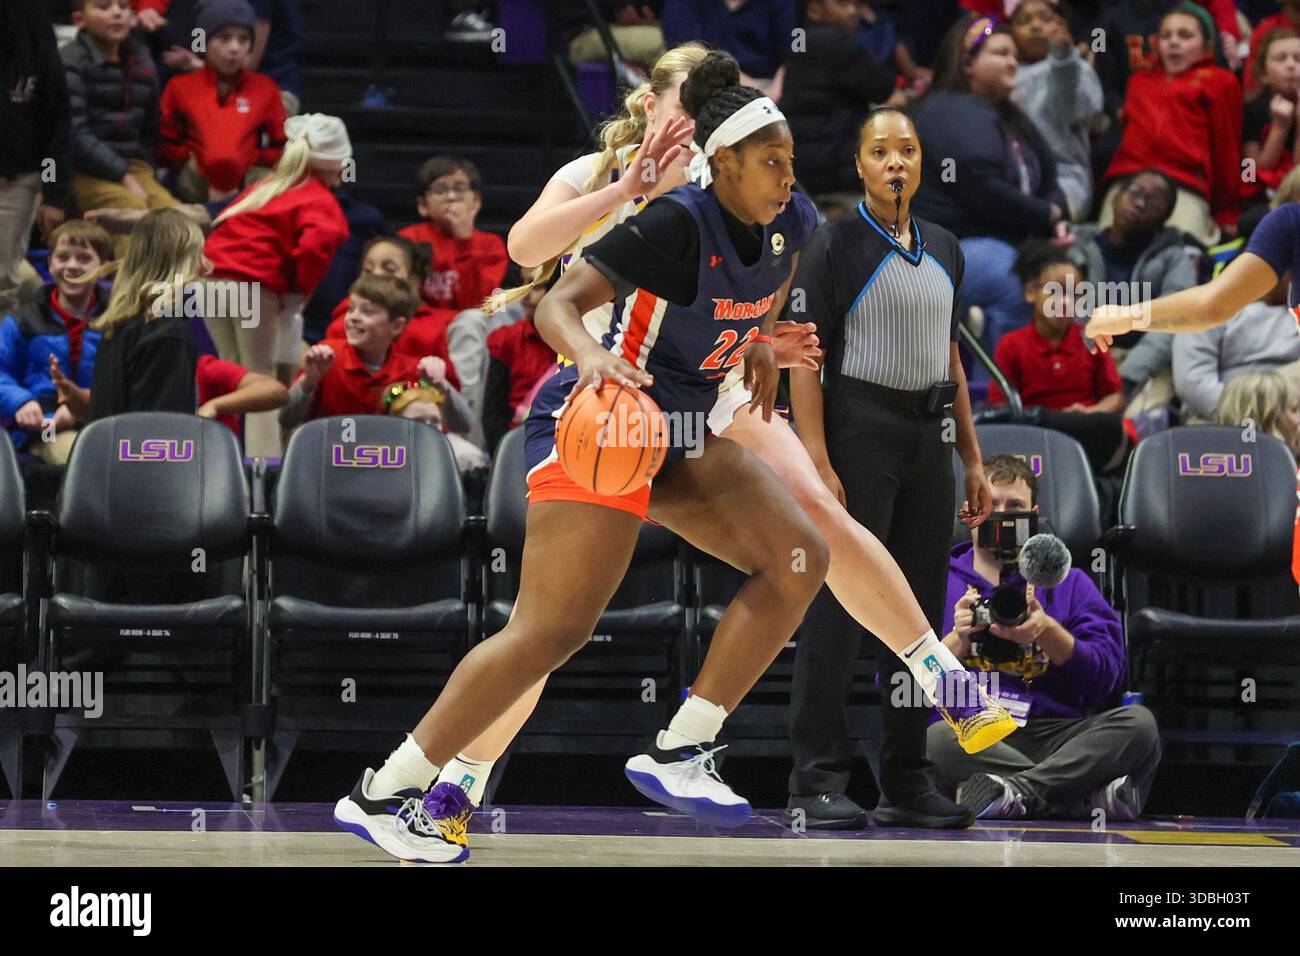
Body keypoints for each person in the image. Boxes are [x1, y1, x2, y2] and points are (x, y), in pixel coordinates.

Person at [407, 50, 1011, 845]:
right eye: (686, 103)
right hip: (610, 400)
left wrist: (763, 342)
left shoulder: (742, 175)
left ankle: (942, 680)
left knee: (816, 524)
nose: (700, 116)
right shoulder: (611, 170)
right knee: (551, 626)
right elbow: (524, 251)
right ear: (650, 102)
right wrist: (625, 189)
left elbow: (755, 280)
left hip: (709, 387)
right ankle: (452, 788)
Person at [785, 107, 1009, 831]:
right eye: (880, 151)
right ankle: (816, 777)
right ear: (858, 165)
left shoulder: (945, 243)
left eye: (907, 151)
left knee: (916, 612)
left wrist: (972, 458)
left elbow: (951, 360)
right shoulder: (833, 243)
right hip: (857, 430)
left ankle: (906, 778)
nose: (895, 164)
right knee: (840, 610)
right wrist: (817, 461)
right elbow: (804, 359)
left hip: (928, 436)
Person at [931, 454, 1161, 821]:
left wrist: (1049, 632)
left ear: (1033, 516)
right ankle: (1078, 797)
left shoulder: (1070, 582)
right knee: (937, 740)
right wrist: (955, 642)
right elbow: (895, 687)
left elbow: (1109, 678)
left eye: (1015, 507)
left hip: (1059, 737)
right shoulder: (936, 581)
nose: (1002, 517)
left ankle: (1015, 792)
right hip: (976, 732)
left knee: (1139, 726)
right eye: (989, 504)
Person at [909, 14, 1069, 358]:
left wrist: (1058, 217)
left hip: (1006, 238)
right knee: (1012, 279)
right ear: (968, 62)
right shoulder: (949, 110)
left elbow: (1051, 177)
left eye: (1014, 55)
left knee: (1073, 270)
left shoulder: (1010, 116)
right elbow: (981, 187)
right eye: (1000, 54)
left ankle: (1066, 386)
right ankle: (995, 399)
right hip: (947, 247)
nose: (1013, 62)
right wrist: (1047, 215)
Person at [202, 112, 351, 455]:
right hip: (252, 286)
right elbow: (314, 248)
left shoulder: (265, 187)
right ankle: (263, 478)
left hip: (209, 282)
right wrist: (299, 289)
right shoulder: (318, 199)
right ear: (336, 163)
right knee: (262, 383)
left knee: (234, 376)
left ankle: (222, 464)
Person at [1100, 4, 1242, 247]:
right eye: (1165, 36)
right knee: (1106, 247)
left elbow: (1226, 150)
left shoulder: (1220, 81)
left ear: (1208, 45)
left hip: (1185, 184)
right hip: (1129, 180)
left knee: (1180, 250)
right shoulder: (1138, 82)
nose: (1173, 42)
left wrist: (1227, 211)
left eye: (1185, 35)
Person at [1069, 168, 1201, 409]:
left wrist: (1127, 377)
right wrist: (1090, 361)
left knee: (1138, 420)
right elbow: (1065, 310)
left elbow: (1172, 322)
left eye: (1154, 201)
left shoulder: (1173, 258)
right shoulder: (1079, 246)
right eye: (1135, 192)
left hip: (1143, 365)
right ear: (1116, 197)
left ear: (1165, 216)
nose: (1140, 203)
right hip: (1082, 359)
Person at [61, 0, 181, 255]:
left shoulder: (141, 59)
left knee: (176, 219)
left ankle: (183, 292)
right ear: (80, 19)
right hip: (84, 171)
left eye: (124, 7)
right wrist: (123, 176)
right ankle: (132, 294)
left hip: (135, 166)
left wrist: (142, 170)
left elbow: (151, 126)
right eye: (104, 7)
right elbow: (75, 135)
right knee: (133, 219)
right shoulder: (69, 61)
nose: (117, 12)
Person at [278, 273, 469, 430]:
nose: (353, 318)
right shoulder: (327, 358)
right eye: (351, 309)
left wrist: (441, 385)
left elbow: (463, 425)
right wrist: (308, 382)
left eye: (367, 312)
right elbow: (286, 419)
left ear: (396, 326)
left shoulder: (412, 372)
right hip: (333, 461)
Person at [397, 156, 509, 422]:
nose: (451, 197)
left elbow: (476, 301)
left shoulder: (490, 245)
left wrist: (463, 239)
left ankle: (465, 425)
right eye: (440, 190)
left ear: (476, 202)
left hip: (468, 328)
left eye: (460, 189)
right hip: (423, 325)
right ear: (423, 206)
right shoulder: (409, 240)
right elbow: (401, 297)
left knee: (470, 323)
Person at [0, 220, 112, 463]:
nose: (72, 266)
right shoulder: (23, 320)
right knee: (83, 458)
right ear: (50, 264)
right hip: (45, 428)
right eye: (62, 257)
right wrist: (21, 400)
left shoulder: (119, 320)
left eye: (84, 258)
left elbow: (131, 380)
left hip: (106, 423)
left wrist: (80, 407)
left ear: (102, 267)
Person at [157, 0, 286, 204]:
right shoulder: (180, 87)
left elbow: (281, 142)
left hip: (248, 186)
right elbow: (165, 139)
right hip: (193, 182)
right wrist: (188, 159)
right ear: (205, 41)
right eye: (224, 38)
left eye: (243, 40)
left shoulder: (264, 88)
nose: (234, 48)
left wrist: (254, 160)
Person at [83, 208, 205, 422]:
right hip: (139, 453)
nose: (203, 266)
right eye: (197, 255)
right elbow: (160, 431)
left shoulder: (119, 324)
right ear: (182, 263)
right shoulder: (168, 334)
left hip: (108, 453)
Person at [781, 0, 901, 198]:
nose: (853, 11)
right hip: (837, 173)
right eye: (843, 4)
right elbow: (884, 87)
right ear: (814, 9)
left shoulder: (800, 41)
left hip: (804, 168)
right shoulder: (839, 46)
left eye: (856, 4)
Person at [0, 0, 71, 306]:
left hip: (19, 179)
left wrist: (53, 192)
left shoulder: (36, 36)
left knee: (3, 279)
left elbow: (56, 123)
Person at [323, 235, 461, 390]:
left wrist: (396, 394)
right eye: (367, 270)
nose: (376, 275)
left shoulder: (430, 330)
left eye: (388, 269)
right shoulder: (344, 323)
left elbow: (439, 387)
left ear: (414, 282)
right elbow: (327, 378)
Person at [1008, 0, 1103, 221]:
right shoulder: (1005, 72)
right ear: (1010, 31)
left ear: (1063, 25)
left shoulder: (1078, 68)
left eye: (1046, 18)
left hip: (1065, 178)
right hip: (1013, 176)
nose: (1035, 26)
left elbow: (1068, 110)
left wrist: (1063, 58)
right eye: (1024, 21)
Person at [1174, 272, 1300, 421]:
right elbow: (1192, 383)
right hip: (1221, 420)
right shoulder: (1207, 307)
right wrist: (1250, 415)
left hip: (1290, 419)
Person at [481, 285, 556, 454]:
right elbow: (493, 414)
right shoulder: (507, 340)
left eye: (536, 286)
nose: (525, 295)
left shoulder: (581, 340)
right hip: (517, 447)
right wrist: (505, 457)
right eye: (523, 285)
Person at [660, 0, 796, 92]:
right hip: (706, 84)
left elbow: (796, 50)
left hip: (770, 87)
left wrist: (775, 92)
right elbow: (688, 50)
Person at [1243, 28, 1300, 207]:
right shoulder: (1251, 111)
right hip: (1262, 198)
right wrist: (1280, 127)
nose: (1291, 65)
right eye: (1281, 58)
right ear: (1264, 74)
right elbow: (1249, 173)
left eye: (1298, 59)